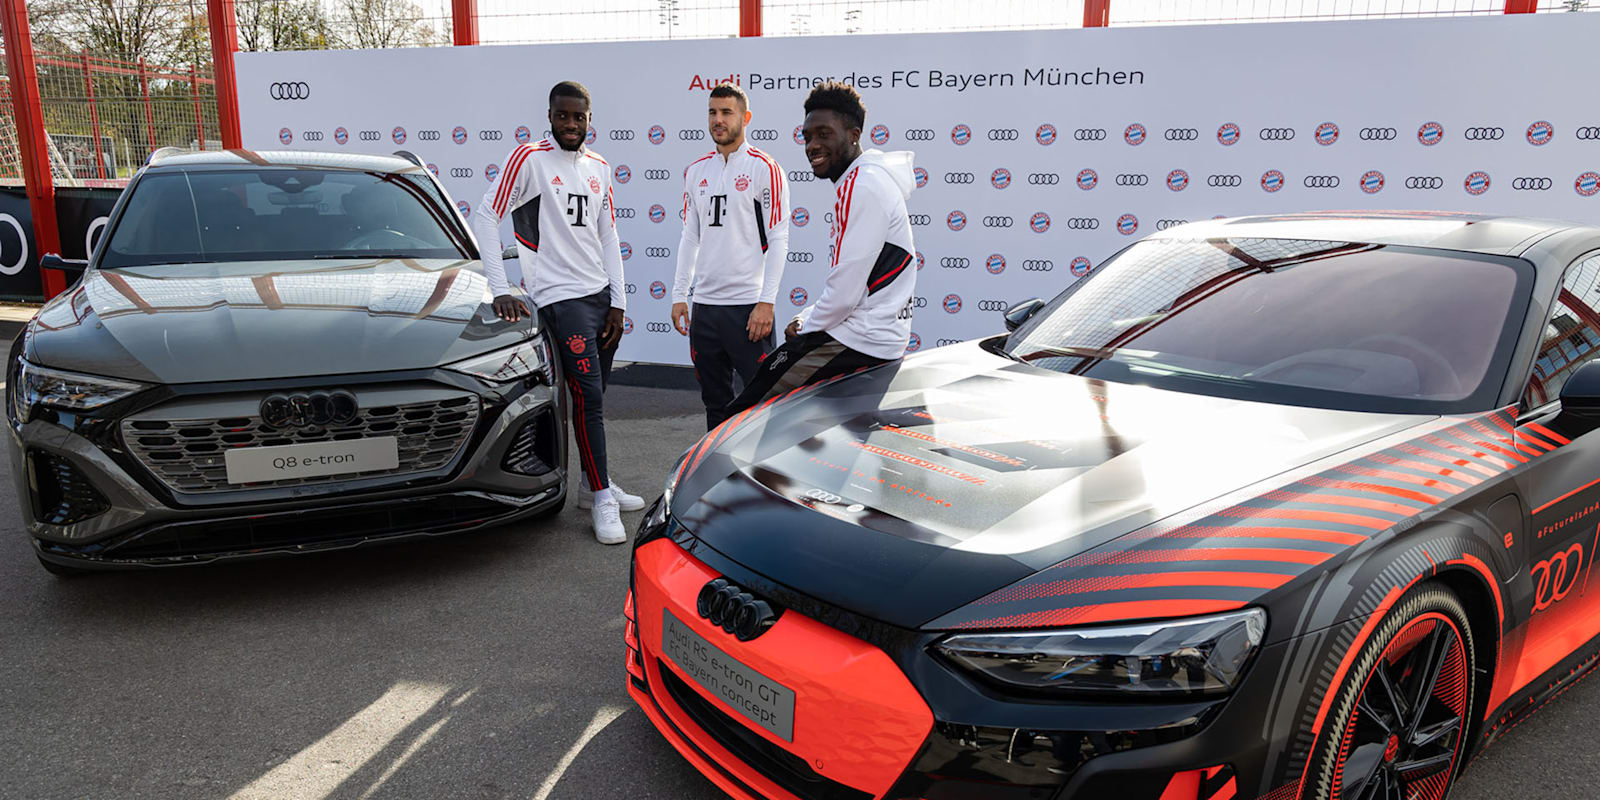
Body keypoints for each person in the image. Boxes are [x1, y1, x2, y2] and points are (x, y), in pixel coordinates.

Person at [472, 80, 644, 544]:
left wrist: (619, 301)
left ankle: (593, 485)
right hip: (559, 298)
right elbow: (486, 216)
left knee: (596, 399)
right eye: (563, 116)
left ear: (591, 118)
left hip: (599, 298)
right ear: (550, 116)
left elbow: (609, 236)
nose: (571, 124)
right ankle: (603, 498)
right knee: (587, 400)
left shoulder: (601, 167)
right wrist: (499, 288)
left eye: (579, 117)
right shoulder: (528, 158)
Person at [725, 82, 917, 418]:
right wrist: (807, 318)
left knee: (741, 416)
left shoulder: (864, 185)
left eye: (824, 134)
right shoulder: (865, 180)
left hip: (858, 340)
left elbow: (844, 296)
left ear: (854, 134)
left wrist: (806, 322)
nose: (813, 145)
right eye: (807, 136)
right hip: (870, 336)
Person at [672, 84, 791, 430]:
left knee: (764, 404)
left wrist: (766, 302)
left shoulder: (764, 168)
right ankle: (716, 476)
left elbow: (779, 238)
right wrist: (681, 295)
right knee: (715, 404)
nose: (718, 120)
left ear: (745, 118)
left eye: (727, 112)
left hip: (748, 309)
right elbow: (690, 236)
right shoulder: (696, 171)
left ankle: (764, 478)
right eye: (713, 112)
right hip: (705, 310)